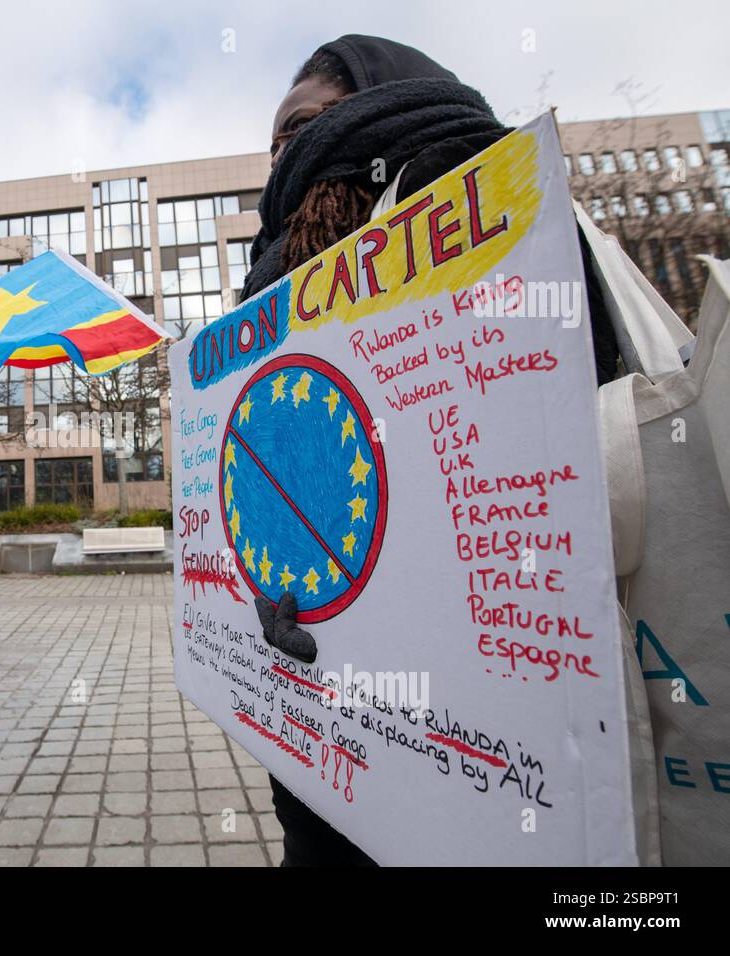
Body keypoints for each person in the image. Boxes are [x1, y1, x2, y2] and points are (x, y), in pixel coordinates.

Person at [244, 34, 620, 867]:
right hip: (324, 757)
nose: (281, 155)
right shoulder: (269, 272)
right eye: (270, 143)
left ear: (383, 98)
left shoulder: (487, 200)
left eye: (301, 123)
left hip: (497, 756)